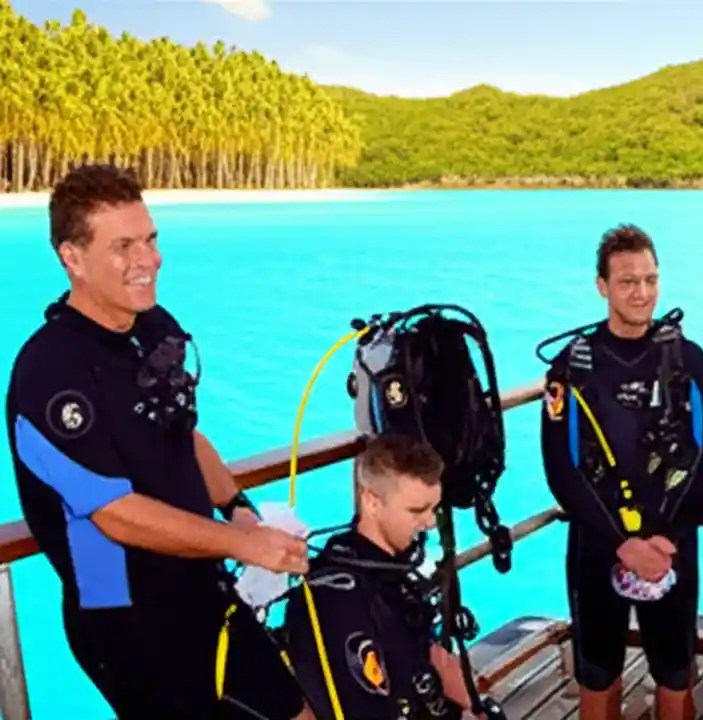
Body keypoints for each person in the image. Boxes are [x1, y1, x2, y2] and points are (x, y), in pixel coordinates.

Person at [4, 163, 313, 719]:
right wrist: (241, 545)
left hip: (203, 590)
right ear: (73, 258)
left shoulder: (154, 328)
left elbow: (184, 433)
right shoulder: (48, 374)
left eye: (150, 239)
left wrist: (238, 509)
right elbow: (115, 513)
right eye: (123, 245)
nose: (149, 259)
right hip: (128, 623)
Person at [538, 223, 703, 719]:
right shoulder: (573, 366)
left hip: (673, 544)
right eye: (627, 281)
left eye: (650, 279)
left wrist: (667, 537)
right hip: (598, 545)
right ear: (602, 286)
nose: (641, 293)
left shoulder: (689, 361)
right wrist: (621, 543)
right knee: (598, 676)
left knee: (674, 675)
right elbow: (560, 467)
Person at [283, 434, 479, 720]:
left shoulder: (392, 572)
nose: (430, 524)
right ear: (372, 502)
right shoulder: (340, 602)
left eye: (433, 509)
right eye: (416, 511)